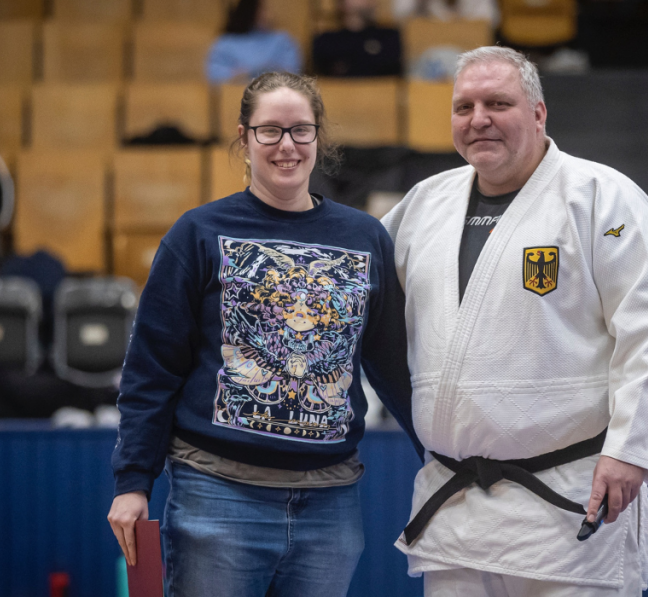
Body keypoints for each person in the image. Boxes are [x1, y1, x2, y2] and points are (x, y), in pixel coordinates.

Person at [381, 46, 648, 596]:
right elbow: (360, 294)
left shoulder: (601, 196)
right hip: (456, 504)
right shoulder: (424, 205)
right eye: (464, 107)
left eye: (498, 103)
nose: (478, 119)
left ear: (539, 113)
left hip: (569, 498)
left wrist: (630, 449)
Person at [107, 72, 422, 597]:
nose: (287, 146)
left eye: (300, 130)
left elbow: (393, 366)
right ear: (244, 137)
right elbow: (151, 368)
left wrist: (444, 457)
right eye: (270, 131)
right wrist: (133, 481)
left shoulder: (365, 236)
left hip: (330, 502)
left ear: (318, 137)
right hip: (217, 494)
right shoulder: (198, 232)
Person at [206, 0, 302, 84]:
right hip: (234, 96)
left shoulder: (282, 41)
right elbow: (214, 76)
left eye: (266, 9)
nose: (267, 15)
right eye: (261, 10)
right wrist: (240, 75)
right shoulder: (225, 43)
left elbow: (293, 72)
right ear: (248, 11)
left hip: (276, 94)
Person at [312, 0, 402, 77]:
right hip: (337, 93)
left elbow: (390, 67)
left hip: (382, 92)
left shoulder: (388, 36)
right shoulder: (326, 40)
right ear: (342, 4)